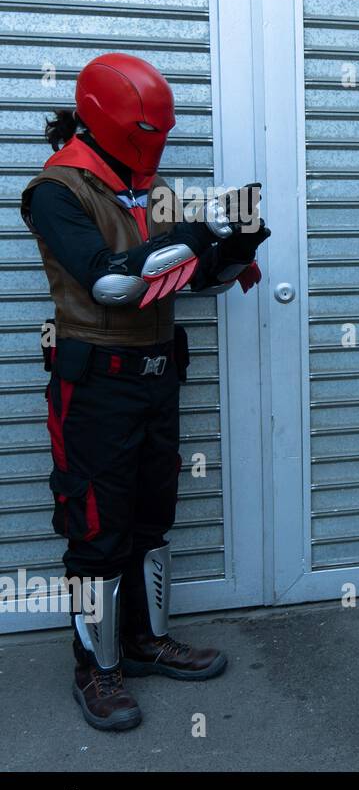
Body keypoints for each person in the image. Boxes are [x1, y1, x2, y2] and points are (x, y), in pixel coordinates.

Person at [21, 53, 270, 731]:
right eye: (147, 129)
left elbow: (187, 282)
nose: (155, 142)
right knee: (95, 526)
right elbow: (110, 282)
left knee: (152, 518)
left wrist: (232, 248)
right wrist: (195, 233)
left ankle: (144, 642)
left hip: (160, 375)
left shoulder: (149, 188)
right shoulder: (57, 190)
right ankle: (93, 670)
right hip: (96, 383)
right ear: (105, 120)